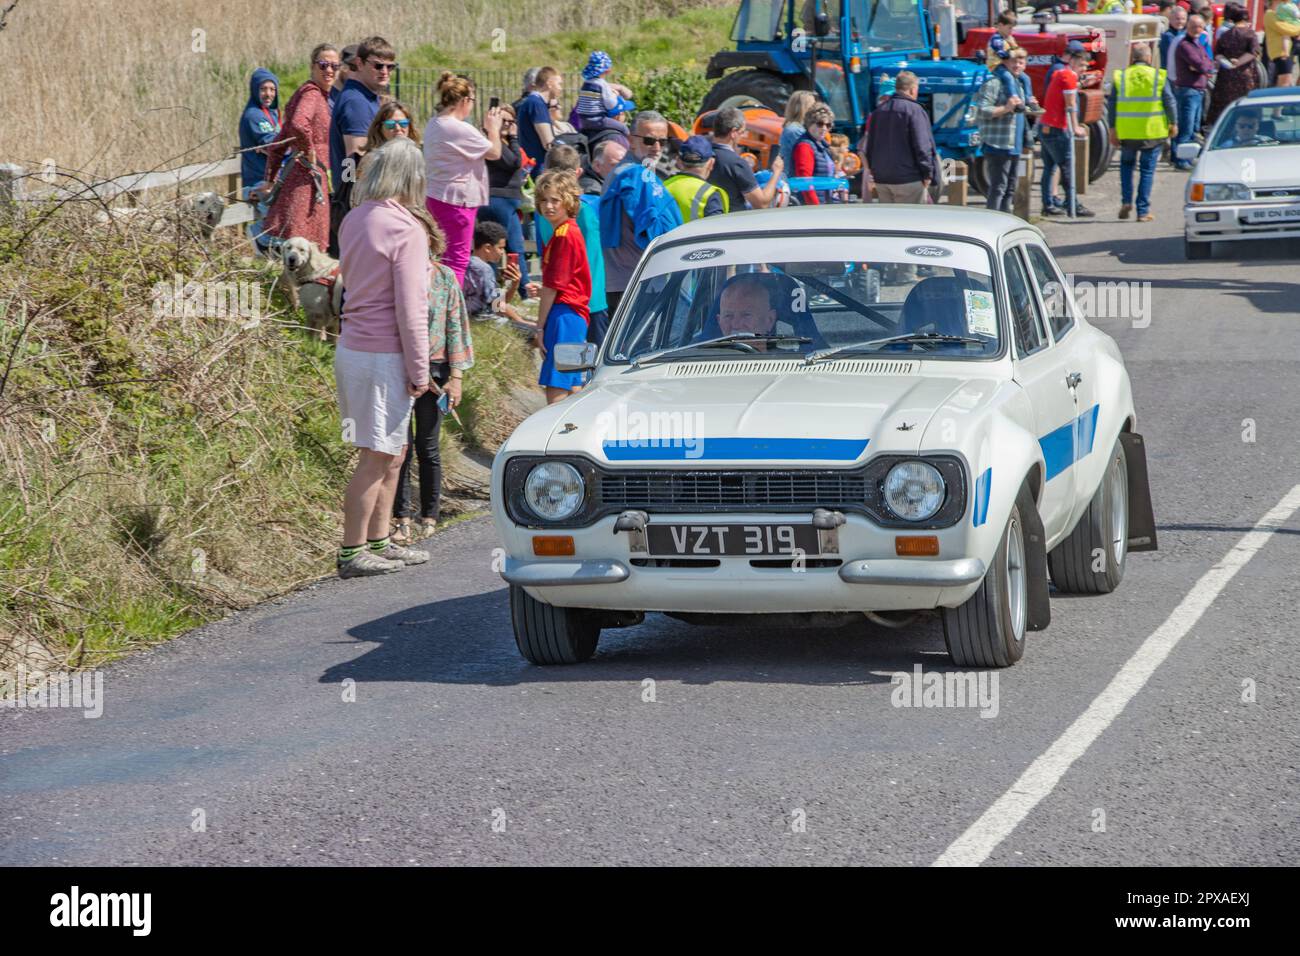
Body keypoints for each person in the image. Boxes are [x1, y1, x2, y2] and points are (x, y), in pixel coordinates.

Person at [334, 138, 434, 578]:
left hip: (354, 347)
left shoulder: (355, 218)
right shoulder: (406, 229)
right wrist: (420, 369)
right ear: (413, 178)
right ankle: (353, 551)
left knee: (391, 451)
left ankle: (379, 539)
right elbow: (411, 307)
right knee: (377, 456)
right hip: (383, 353)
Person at [391, 207, 474, 545]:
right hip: (398, 369)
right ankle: (400, 517)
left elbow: (456, 327)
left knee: (428, 445)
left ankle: (430, 514)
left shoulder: (444, 278)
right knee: (400, 446)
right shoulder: (395, 276)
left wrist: (456, 377)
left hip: (437, 370)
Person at [423, 72, 504, 284]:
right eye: (473, 100)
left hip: (436, 196)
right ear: (465, 100)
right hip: (457, 201)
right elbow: (495, 152)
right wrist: (493, 128)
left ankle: (438, 304)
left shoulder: (434, 123)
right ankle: (451, 312)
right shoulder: (458, 127)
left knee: (440, 257)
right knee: (457, 260)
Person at [600, 111, 683, 315]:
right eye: (649, 140)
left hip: (626, 280)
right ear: (631, 140)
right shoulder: (635, 175)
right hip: (638, 282)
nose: (656, 148)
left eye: (662, 142)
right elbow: (651, 230)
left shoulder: (635, 171)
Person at [260, 45, 336, 253]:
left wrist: (270, 177)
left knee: (296, 247)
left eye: (334, 66)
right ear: (312, 66)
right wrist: (309, 149)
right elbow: (298, 124)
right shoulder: (312, 94)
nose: (329, 70)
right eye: (324, 65)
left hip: (302, 179)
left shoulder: (309, 93)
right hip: (307, 181)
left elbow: (279, 143)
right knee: (306, 249)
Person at [537, 146, 613, 342]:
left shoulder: (543, 212)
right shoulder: (591, 207)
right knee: (593, 363)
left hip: (560, 300)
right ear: (578, 172)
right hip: (593, 299)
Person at [532, 170, 592, 404]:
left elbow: (553, 287)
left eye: (555, 200)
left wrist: (539, 328)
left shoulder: (564, 234)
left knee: (557, 386)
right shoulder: (568, 231)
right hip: (575, 316)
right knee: (573, 383)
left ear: (568, 201)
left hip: (564, 316)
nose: (548, 206)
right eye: (544, 200)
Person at [332, 100, 419, 249]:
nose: (398, 128)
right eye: (391, 125)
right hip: (378, 232)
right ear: (379, 129)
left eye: (403, 123)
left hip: (405, 229)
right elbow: (358, 201)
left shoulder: (413, 156)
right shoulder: (372, 160)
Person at [1109, 43, 1177, 222]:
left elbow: (1112, 105)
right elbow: (1169, 101)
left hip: (1127, 132)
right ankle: (1142, 211)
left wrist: (1112, 129)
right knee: (1146, 171)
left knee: (1126, 167)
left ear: (1132, 58)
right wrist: (1173, 123)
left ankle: (1126, 201)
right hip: (1151, 132)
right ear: (1149, 58)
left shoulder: (1121, 76)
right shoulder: (1158, 76)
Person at [477, 103, 535, 298]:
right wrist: (514, 137)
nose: (508, 125)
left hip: (507, 201)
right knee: (493, 252)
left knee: (516, 249)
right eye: (504, 121)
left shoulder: (502, 142)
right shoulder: (491, 142)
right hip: (496, 200)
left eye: (511, 122)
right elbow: (514, 162)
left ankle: (524, 293)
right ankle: (491, 299)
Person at [329, 36, 393, 194]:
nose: (384, 72)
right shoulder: (356, 102)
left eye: (390, 67)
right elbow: (353, 159)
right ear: (359, 63)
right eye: (378, 66)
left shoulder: (365, 96)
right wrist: (352, 195)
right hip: (361, 198)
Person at [865, 71, 939, 205]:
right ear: (912, 89)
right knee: (911, 223)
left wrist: (874, 171)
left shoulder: (878, 112)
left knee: (889, 223)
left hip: (882, 179)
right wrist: (927, 173)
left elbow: (870, 146)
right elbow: (922, 145)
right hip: (908, 179)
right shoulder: (915, 110)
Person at [1039, 49, 1096, 217]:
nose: (1083, 69)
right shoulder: (1069, 77)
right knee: (1067, 167)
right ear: (1072, 62)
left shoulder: (1060, 74)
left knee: (1049, 167)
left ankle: (1047, 204)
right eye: (1080, 65)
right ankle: (1072, 204)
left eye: (1085, 66)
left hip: (1046, 126)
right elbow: (1070, 105)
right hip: (1057, 128)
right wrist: (1076, 126)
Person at [976, 50, 1034, 213]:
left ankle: (1006, 222)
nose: (1017, 66)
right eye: (1013, 62)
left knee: (1010, 189)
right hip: (997, 144)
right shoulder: (994, 83)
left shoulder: (1019, 84)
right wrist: (1006, 108)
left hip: (1014, 144)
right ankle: (992, 224)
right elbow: (982, 111)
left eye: (1021, 62)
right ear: (1005, 63)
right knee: (998, 189)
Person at [708, 106, 785, 210]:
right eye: (742, 132)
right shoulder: (736, 163)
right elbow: (761, 204)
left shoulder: (704, 154)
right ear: (734, 132)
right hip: (733, 220)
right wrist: (776, 172)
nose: (742, 136)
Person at [239, 68, 281, 254]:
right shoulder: (254, 115)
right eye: (263, 89)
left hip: (270, 178)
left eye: (272, 89)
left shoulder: (271, 113)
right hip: (257, 182)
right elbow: (274, 145)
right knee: (280, 197)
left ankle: (271, 246)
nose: (268, 94)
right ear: (255, 90)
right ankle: (261, 238)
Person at [464, 220, 531, 325]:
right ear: (487, 248)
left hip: (468, 319)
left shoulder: (467, 263)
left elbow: (498, 301)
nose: (502, 252)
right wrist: (522, 322)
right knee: (535, 333)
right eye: (500, 248)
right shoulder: (485, 269)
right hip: (485, 322)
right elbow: (498, 306)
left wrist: (513, 285)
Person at [1173, 15, 1216, 169]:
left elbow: (1208, 63)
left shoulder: (1198, 44)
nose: (1196, 29)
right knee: (1186, 127)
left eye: (1199, 26)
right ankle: (1181, 160)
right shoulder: (1185, 45)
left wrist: (1203, 66)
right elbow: (1202, 65)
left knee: (1194, 129)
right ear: (1188, 27)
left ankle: (1188, 157)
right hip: (1188, 90)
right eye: (1193, 26)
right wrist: (1202, 66)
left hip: (1197, 90)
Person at [1208, 4, 1261, 126]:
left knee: (1225, 106)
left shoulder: (1226, 34)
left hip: (1226, 76)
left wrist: (1226, 61)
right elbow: (1254, 52)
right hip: (1246, 75)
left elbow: (1217, 54)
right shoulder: (1250, 34)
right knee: (1245, 105)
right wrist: (1238, 62)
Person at [663, 136, 728, 220]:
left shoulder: (663, 187)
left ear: (679, 161)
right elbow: (716, 229)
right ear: (711, 162)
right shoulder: (709, 193)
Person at [577, 50, 636, 139]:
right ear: (607, 70)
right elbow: (611, 105)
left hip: (583, 121)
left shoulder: (586, 84)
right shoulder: (602, 84)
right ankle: (630, 145)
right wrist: (615, 95)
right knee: (623, 128)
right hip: (597, 120)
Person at [517, 66, 563, 176]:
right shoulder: (536, 104)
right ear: (549, 83)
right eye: (559, 84)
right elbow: (548, 142)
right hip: (538, 168)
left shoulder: (535, 102)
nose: (561, 88)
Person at [790, 104, 839, 205]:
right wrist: (816, 208)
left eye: (828, 125)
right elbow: (805, 182)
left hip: (824, 203)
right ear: (809, 123)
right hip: (811, 208)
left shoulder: (822, 145)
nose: (824, 128)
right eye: (820, 124)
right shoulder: (804, 146)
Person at [779, 90, 819, 172]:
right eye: (812, 106)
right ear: (802, 108)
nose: (815, 110)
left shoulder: (797, 128)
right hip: (795, 179)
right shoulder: (795, 130)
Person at [1264, 0, 1300, 86]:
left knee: (1286, 80)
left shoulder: (1284, 13)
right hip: (1280, 53)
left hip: (1289, 51)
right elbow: (1286, 29)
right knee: (1285, 81)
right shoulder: (1270, 14)